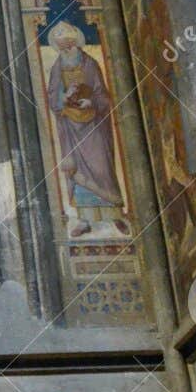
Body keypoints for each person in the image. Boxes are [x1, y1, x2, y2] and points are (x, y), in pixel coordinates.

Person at [45, 20, 129, 237]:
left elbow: (102, 93)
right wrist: (64, 96)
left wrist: (91, 101)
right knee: (78, 171)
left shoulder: (90, 63)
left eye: (69, 44)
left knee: (102, 166)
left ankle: (115, 214)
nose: (66, 48)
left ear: (76, 43)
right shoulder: (57, 68)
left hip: (94, 125)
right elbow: (53, 98)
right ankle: (83, 219)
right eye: (62, 45)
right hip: (71, 128)